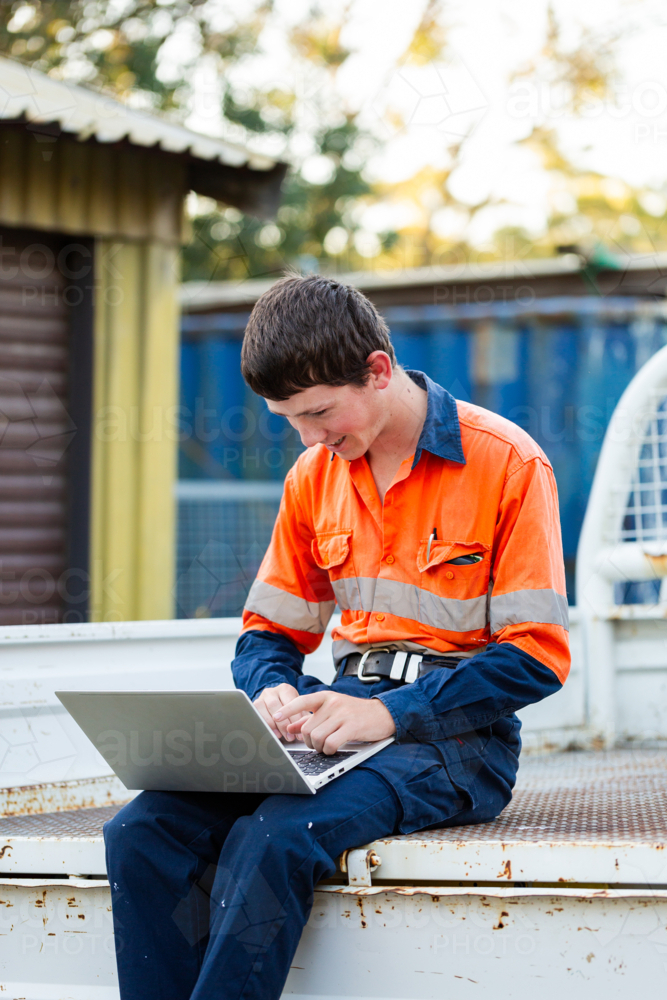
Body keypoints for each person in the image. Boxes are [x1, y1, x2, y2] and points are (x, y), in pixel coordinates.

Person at [104, 274, 570, 1000]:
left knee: (276, 835)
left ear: (378, 370)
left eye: (319, 413)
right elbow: (266, 633)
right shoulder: (313, 476)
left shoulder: (506, 463)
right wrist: (273, 691)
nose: (310, 438)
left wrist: (391, 713)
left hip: (458, 743)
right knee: (141, 832)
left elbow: (536, 657)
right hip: (336, 717)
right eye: (288, 419)